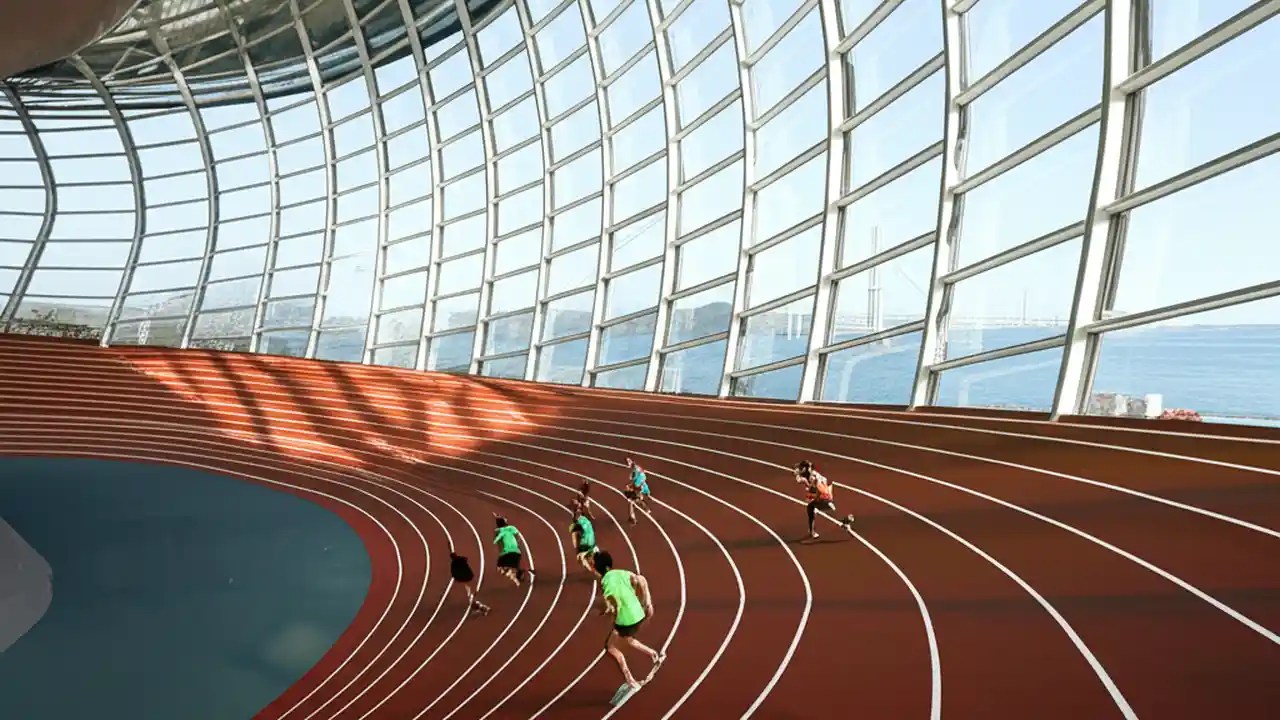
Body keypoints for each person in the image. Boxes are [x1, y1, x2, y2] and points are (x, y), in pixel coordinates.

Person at [593, 550, 665, 691]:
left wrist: (612, 617)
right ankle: (652, 653)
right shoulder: (621, 573)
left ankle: (630, 679)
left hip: (625, 620)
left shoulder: (605, 582)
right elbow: (641, 580)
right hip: (639, 613)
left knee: (611, 647)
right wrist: (647, 603)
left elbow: (615, 604)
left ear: (597, 569)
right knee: (628, 638)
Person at [794, 460, 855, 539]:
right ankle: (844, 520)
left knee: (812, 507)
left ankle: (845, 520)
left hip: (824, 497)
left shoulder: (812, 477)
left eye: (801, 468)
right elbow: (828, 482)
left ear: (806, 469)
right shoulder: (813, 474)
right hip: (825, 494)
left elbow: (818, 488)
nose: (800, 469)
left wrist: (817, 498)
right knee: (812, 507)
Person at [493, 515, 534, 586]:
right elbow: (517, 535)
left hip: (506, 552)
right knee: (516, 564)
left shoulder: (498, 531)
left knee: (500, 568)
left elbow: (497, 542)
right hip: (516, 550)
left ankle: (516, 577)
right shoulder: (512, 528)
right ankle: (526, 570)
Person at [449, 549, 490, 616]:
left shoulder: (454, 564)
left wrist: (457, 579)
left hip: (465, 579)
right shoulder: (461, 560)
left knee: (471, 595)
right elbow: (465, 559)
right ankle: (479, 607)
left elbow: (453, 573)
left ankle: (482, 608)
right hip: (469, 577)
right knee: (471, 594)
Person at [623, 457, 652, 526]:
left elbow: (635, 484)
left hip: (638, 487)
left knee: (634, 501)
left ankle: (633, 518)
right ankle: (645, 510)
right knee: (635, 501)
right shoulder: (637, 470)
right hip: (640, 486)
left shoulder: (636, 475)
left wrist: (630, 487)